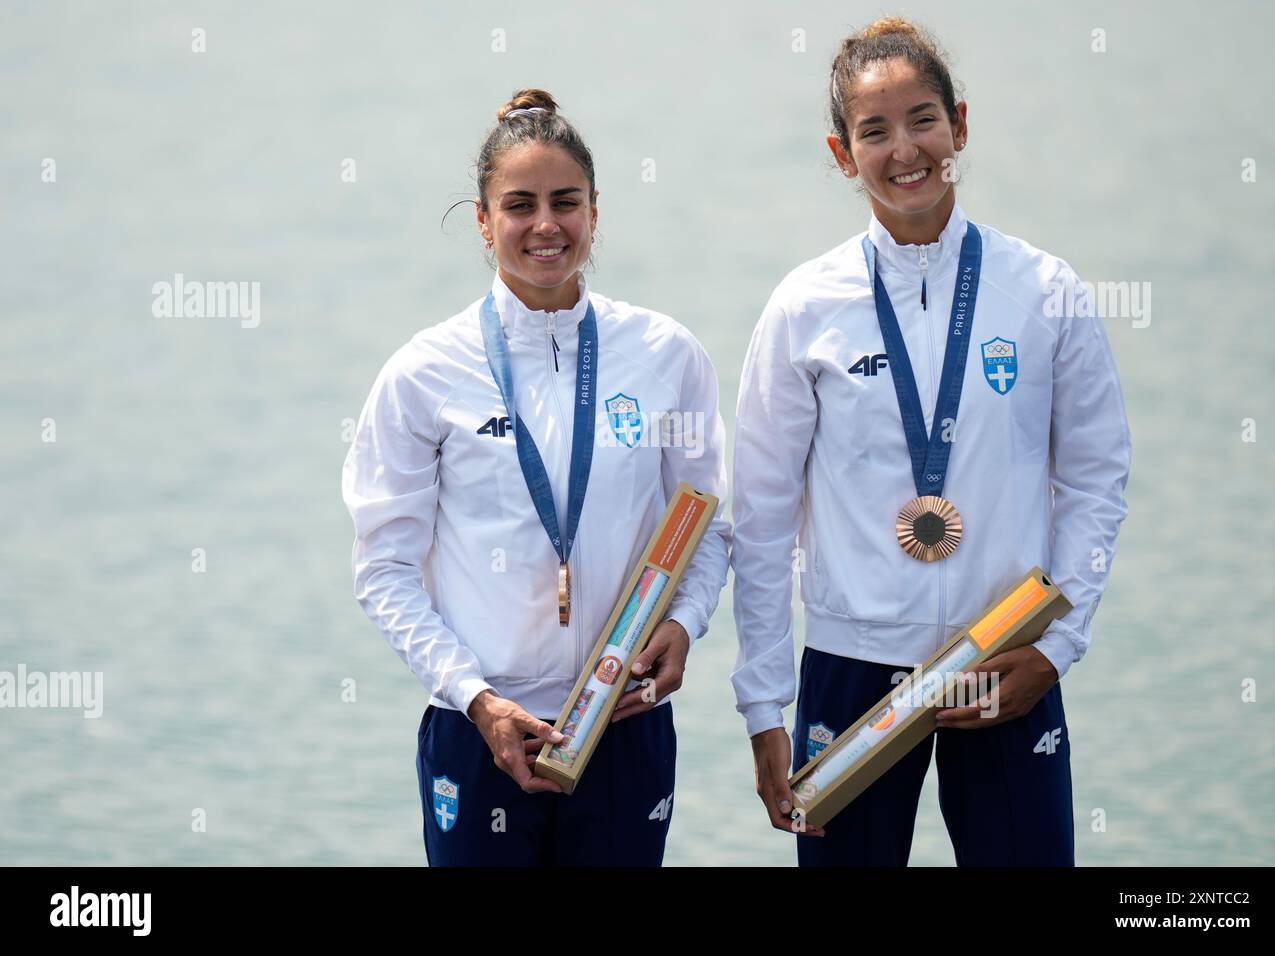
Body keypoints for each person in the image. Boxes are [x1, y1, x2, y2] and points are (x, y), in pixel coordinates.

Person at [730, 18, 1131, 866]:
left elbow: (1096, 483)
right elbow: (761, 520)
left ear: (960, 125)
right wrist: (764, 705)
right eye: (874, 131)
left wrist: (1057, 649)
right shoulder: (804, 307)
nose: (904, 149)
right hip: (851, 667)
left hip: (1006, 662)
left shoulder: (1044, 290)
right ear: (842, 154)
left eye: (923, 119)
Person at [342, 89, 730, 866]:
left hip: (623, 720)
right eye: (519, 205)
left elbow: (709, 524)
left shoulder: (666, 353)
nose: (546, 226)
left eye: (566, 202)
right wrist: (476, 699)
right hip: (479, 729)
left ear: (596, 211)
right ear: (483, 221)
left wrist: (684, 626)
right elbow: (383, 571)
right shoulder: (424, 372)